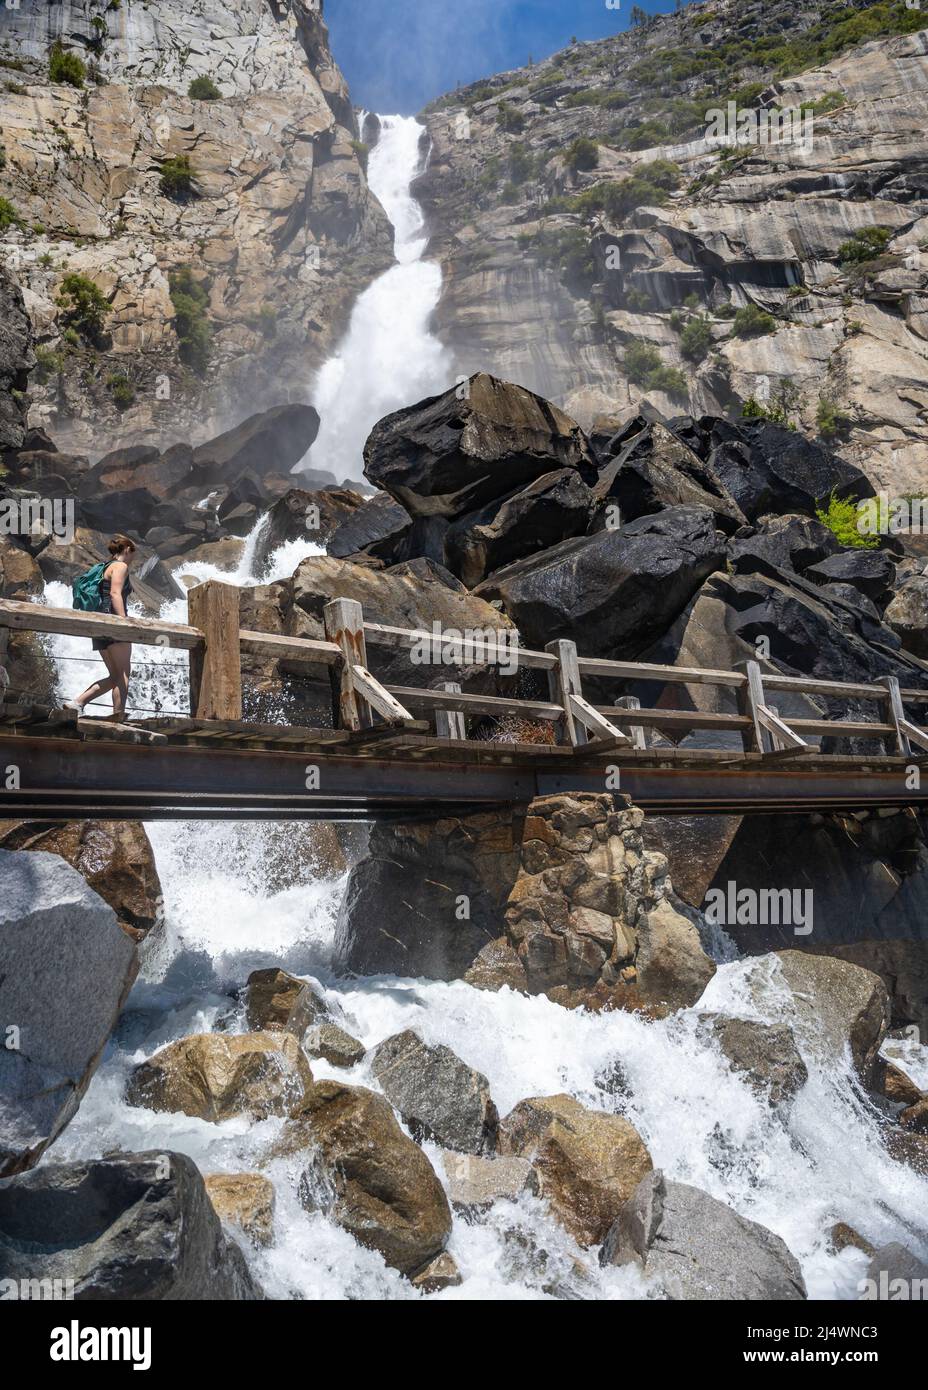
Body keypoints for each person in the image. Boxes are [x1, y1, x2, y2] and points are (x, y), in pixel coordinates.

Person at [66, 535, 136, 719]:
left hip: (100, 625)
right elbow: (115, 593)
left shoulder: (104, 567)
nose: (132, 560)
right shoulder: (121, 566)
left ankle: (78, 703)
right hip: (114, 624)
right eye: (133, 555)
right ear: (127, 550)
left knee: (114, 676)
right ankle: (118, 716)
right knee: (123, 675)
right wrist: (123, 621)